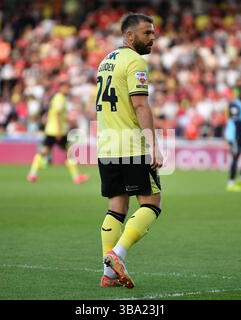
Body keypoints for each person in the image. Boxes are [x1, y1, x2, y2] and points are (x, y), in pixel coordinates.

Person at [96, 13, 163, 288]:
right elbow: (140, 106)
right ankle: (117, 255)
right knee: (152, 204)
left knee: (116, 208)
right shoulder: (135, 61)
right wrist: (153, 146)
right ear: (130, 36)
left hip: (106, 144)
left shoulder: (105, 61)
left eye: (153, 33)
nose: (153, 38)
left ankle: (108, 274)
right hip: (131, 144)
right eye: (147, 33)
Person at [27, 82, 89, 184]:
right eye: (66, 88)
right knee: (69, 152)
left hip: (51, 130)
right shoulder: (60, 98)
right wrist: (59, 130)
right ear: (61, 88)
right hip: (57, 131)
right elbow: (57, 114)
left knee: (44, 151)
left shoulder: (57, 98)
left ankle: (32, 174)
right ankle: (76, 177)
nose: (68, 90)